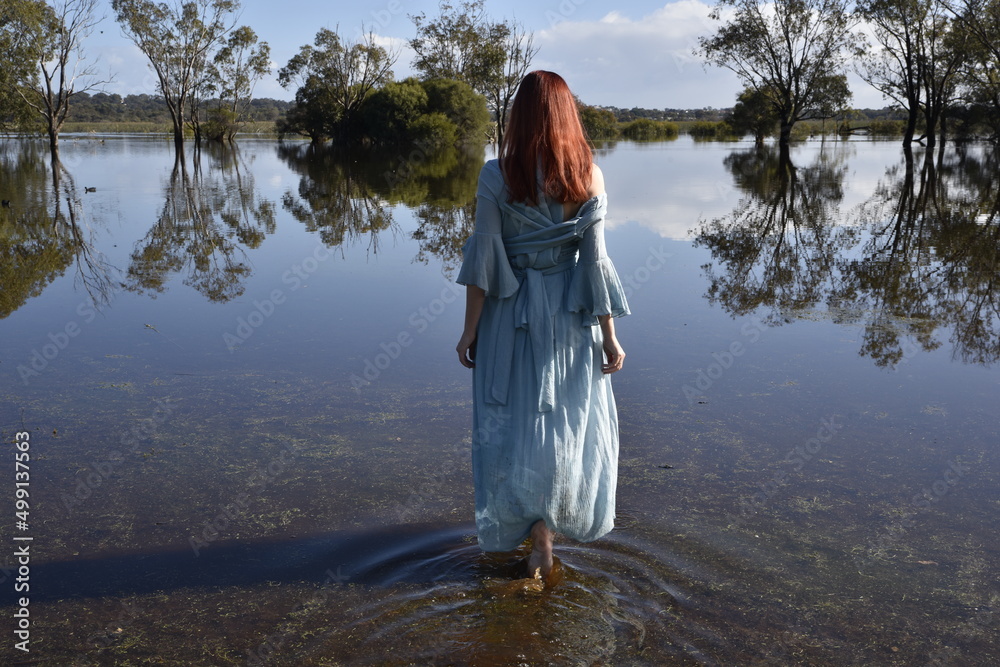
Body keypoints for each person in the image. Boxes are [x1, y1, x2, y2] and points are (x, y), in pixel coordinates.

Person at [455, 70, 630, 580]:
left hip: (509, 315)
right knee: (562, 422)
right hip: (570, 318)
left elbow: (484, 262)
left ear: (519, 116)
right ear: (567, 114)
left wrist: (470, 331)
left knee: (509, 423)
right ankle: (545, 542)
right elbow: (594, 263)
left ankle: (533, 534)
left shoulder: (495, 174)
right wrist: (610, 335)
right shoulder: (589, 176)